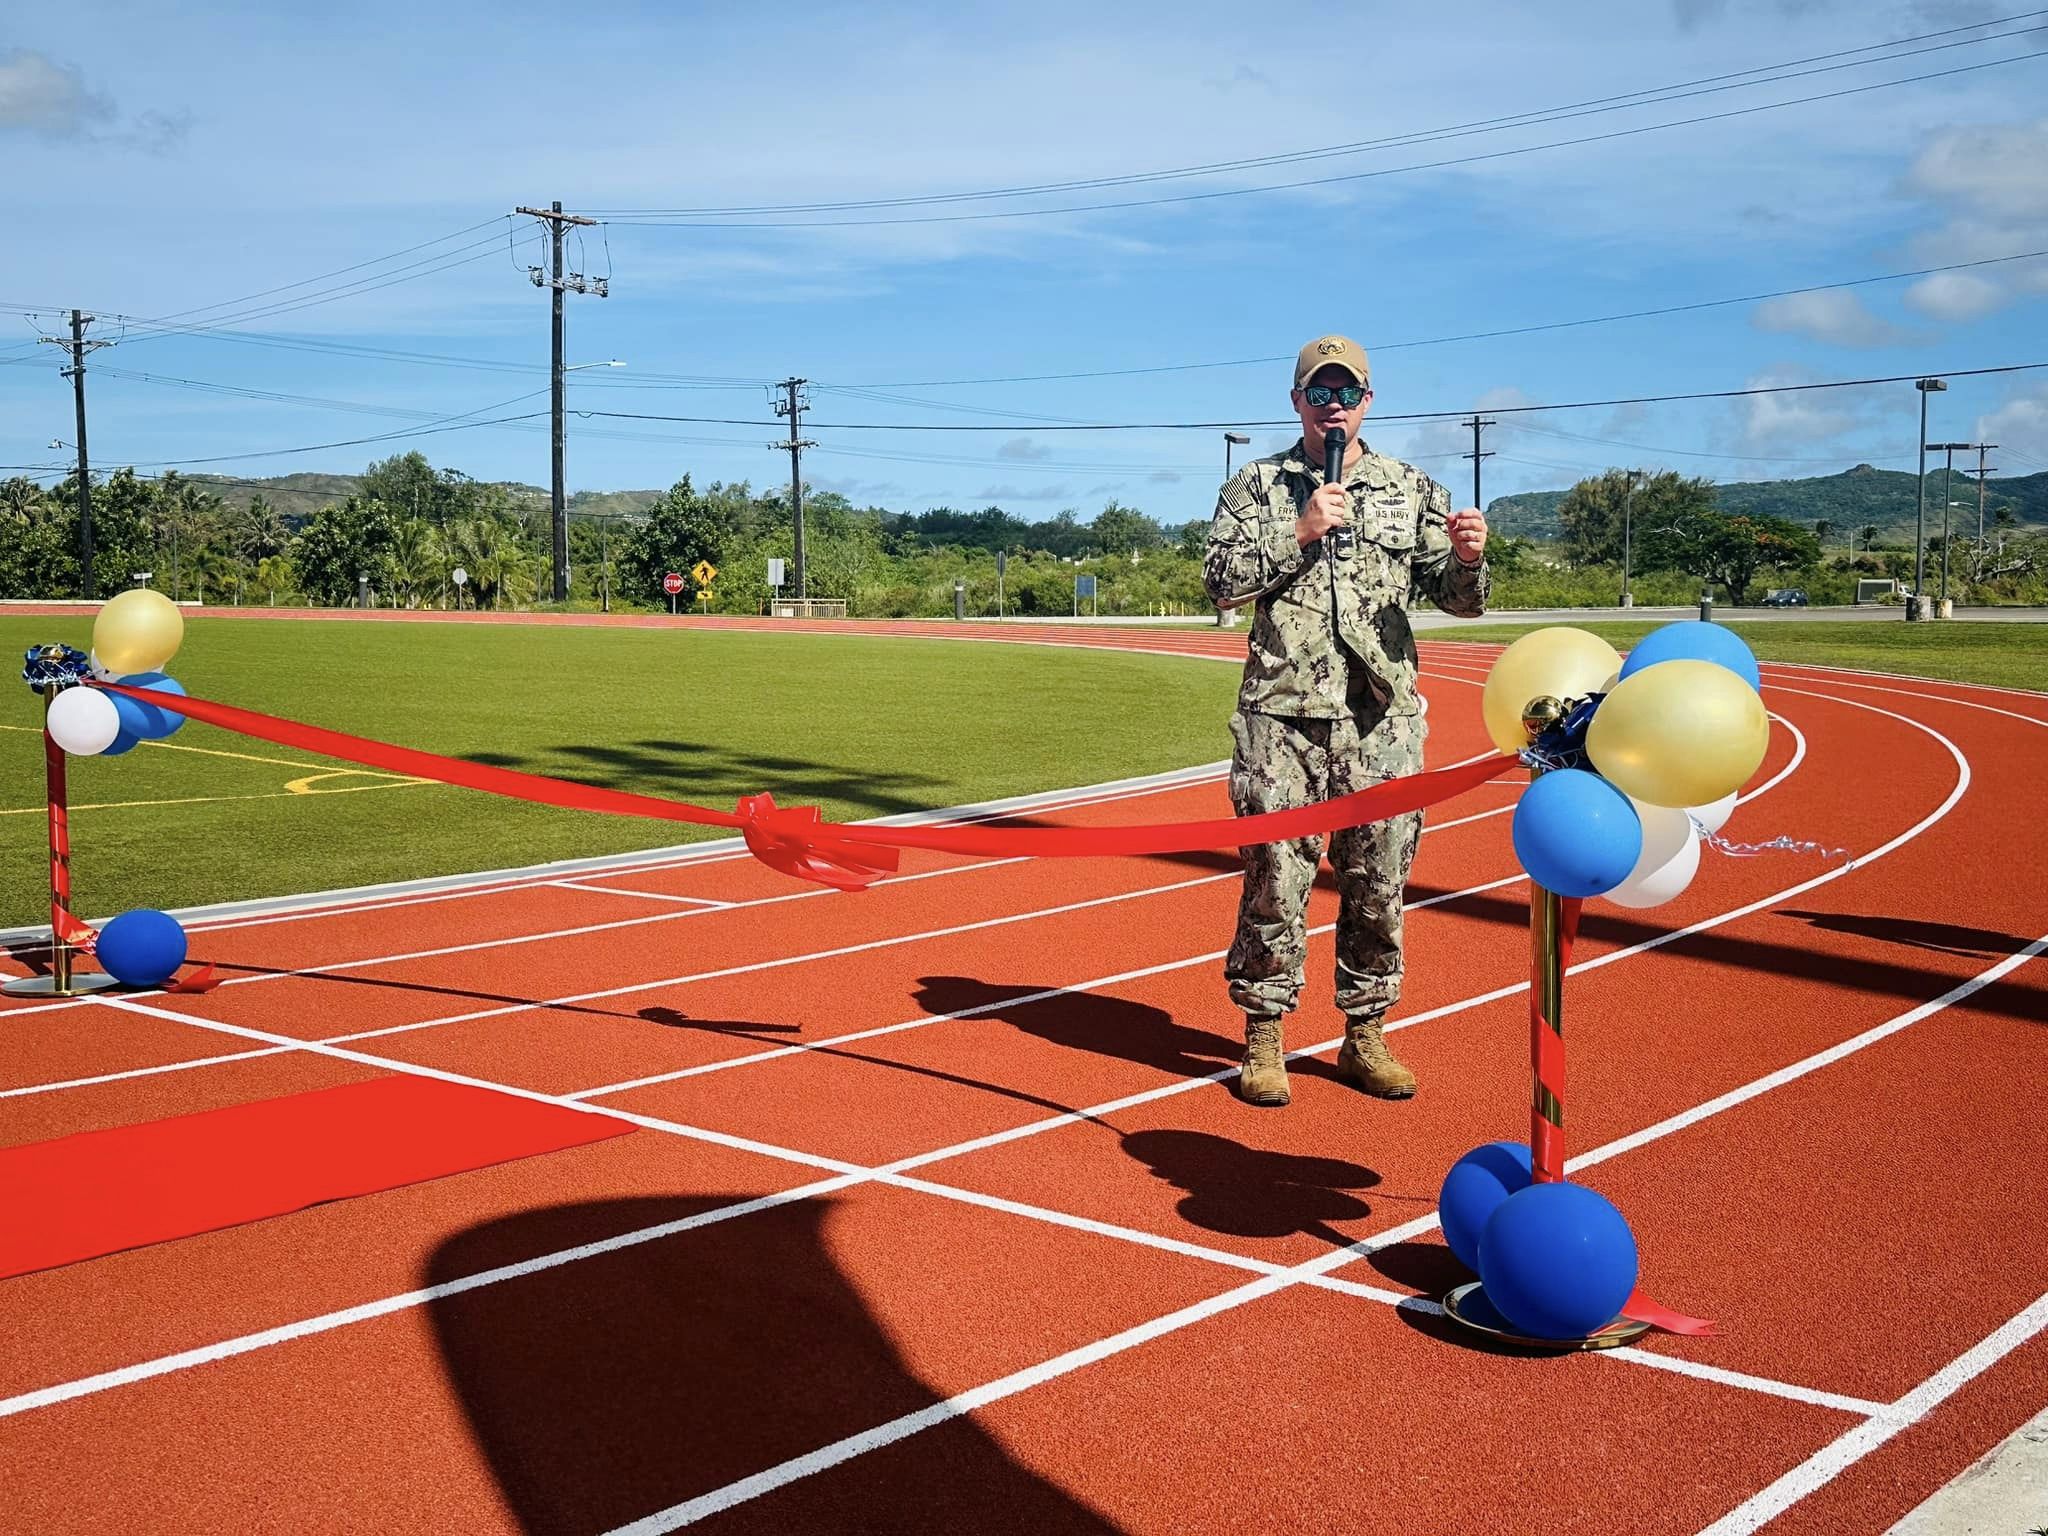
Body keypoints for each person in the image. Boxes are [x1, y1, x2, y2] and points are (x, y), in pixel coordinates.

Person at [1203, 335, 1490, 1108]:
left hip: (1380, 724)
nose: (1334, 405)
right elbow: (1220, 584)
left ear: (1369, 400)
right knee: (1275, 882)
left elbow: (1461, 601)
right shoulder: (1255, 488)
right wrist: (1297, 530)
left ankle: (1365, 1033)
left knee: (1379, 884)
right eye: (1319, 392)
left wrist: (1466, 559)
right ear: (1295, 400)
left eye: (1348, 392)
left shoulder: (1410, 488)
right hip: (1282, 720)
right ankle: (1265, 1035)